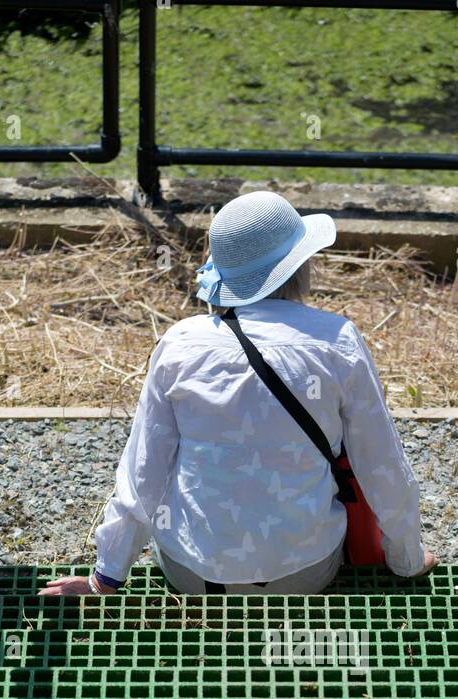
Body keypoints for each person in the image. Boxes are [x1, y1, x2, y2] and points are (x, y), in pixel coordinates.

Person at [40, 191, 436, 599]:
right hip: (304, 572)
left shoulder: (180, 343)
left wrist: (104, 577)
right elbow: (381, 463)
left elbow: (144, 469)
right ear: (299, 265)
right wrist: (406, 558)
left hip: (192, 573)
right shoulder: (336, 340)